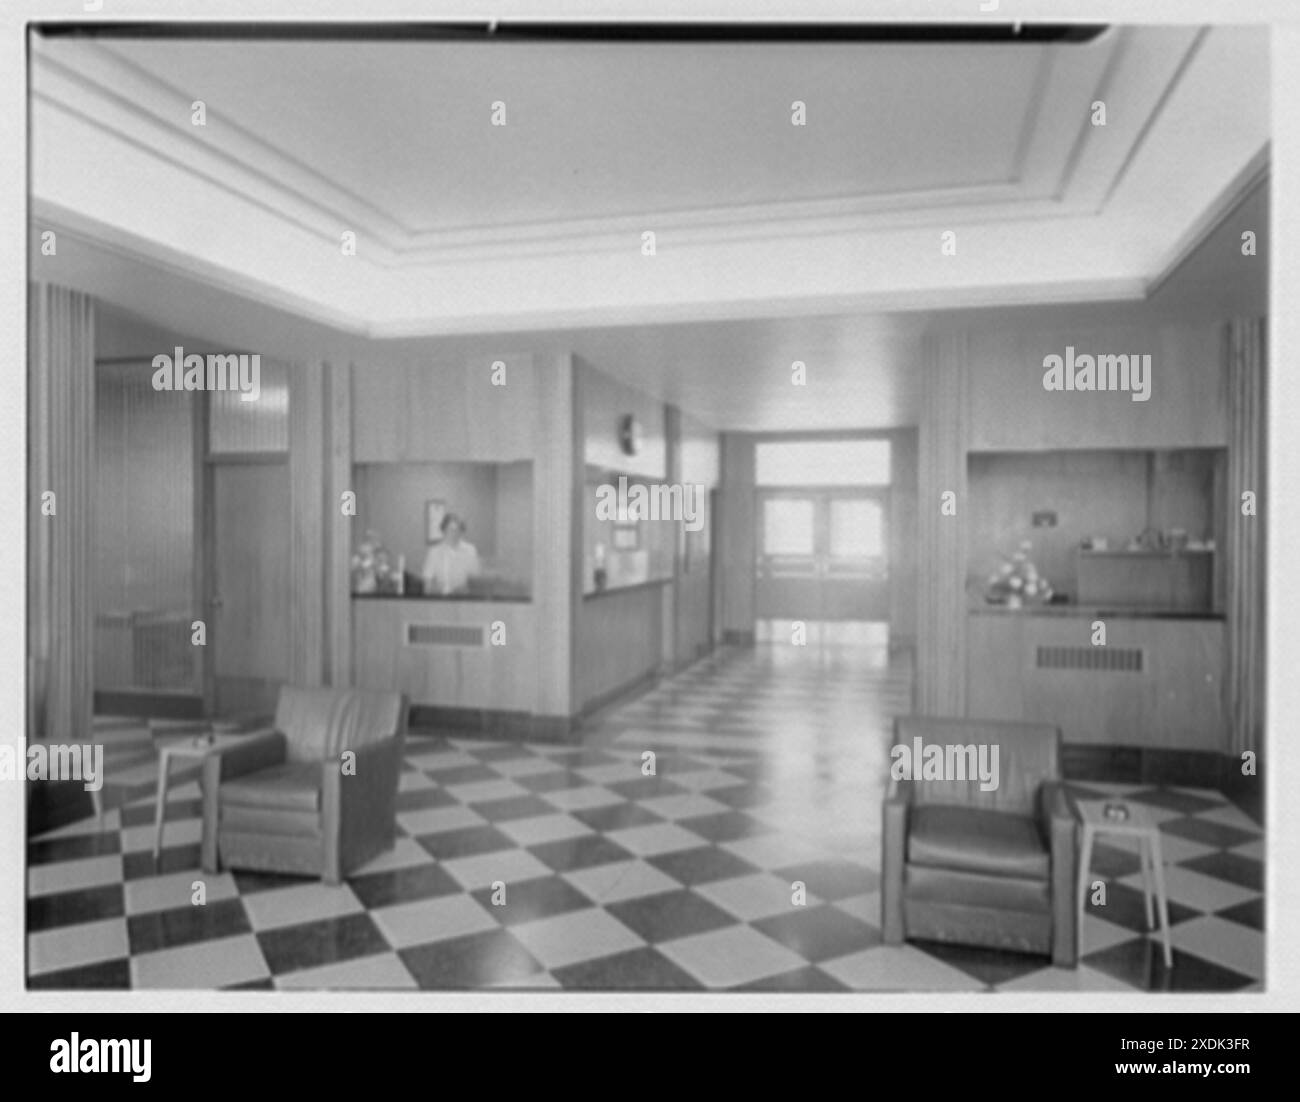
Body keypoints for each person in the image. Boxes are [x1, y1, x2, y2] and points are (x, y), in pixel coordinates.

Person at [421, 512, 481, 595]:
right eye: (451, 529)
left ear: (462, 531)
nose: (454, 533)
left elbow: (477, 581)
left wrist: (464, 588)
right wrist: (443, 590)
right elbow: (427, 585)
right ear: (443, 530)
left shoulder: (470, 550)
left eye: (458, 530)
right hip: (441, 600)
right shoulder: (434, 552)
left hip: (465, 600)